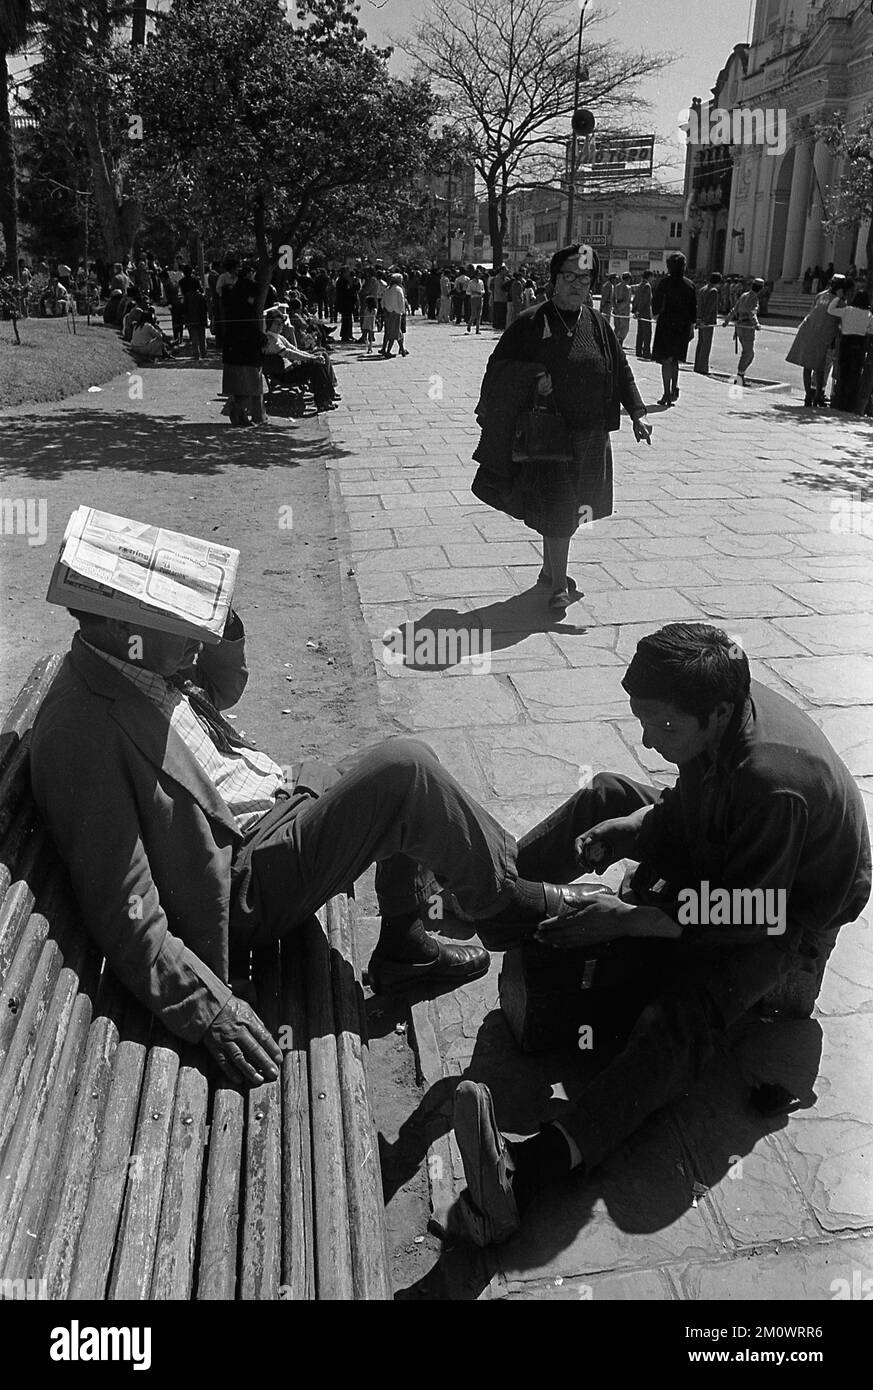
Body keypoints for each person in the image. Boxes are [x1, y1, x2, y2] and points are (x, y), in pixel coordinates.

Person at [30, 593, 624, 1087]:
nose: (197, 635)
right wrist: (208, 1008)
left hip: (279, 804)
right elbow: (123, 909)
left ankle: (406, 942)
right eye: (182, 621)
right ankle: (503, 905)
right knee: (404, 772)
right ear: (116, 620)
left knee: (407, 780)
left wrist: (218, 614)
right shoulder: (79, 731)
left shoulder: (132, 659)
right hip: (245, 881)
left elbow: (223, 687)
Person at [448, 622, 872, 1247]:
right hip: (741, 859)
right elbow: (693, 801)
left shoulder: (774, 779)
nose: (649, 741)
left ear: (719, 712)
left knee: (681, 1012)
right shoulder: (719, 713)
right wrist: (635, 827)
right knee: (607, 798)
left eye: (664, 728)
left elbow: (749, 910)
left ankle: (521, 1177)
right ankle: (492, 898)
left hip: (787, 909)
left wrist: (631, 918)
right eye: (642, 722)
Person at [471, 244, 652, 616]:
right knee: (561, 511)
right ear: (554, 280)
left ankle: (548, 571)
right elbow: (498, 370)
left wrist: (637, 413)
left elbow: (620, 369)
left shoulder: (597, 323)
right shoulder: (530, 322)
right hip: (549, 436)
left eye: (584, 278)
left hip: (591, 434)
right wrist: (533, 378)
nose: (576, 284)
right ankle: (558, 587)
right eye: (568, 276)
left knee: (571, 509)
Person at [785, 274, 847, 406]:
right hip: (822, 336)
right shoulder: (840, 301)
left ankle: (811, 395)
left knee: (810, 366)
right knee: (818, 367)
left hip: (810, 332)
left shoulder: (821, 295)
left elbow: (812, 311)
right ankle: (816, 395)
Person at [263, 306, 339, 409]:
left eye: (281, 323)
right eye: (277, 324)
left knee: (322, 355)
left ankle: (329, 393)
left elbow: (295, 349)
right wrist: (311, 359)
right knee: (316, 366)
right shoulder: (271, 341)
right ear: (270, 324)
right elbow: (289, 353)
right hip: (284, 374)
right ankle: (323, 402)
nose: (280, 326)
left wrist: (312, 356)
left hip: (290, 368)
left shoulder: (278, 337)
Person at [220, 262, 264, 427]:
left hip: (233, 352)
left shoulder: (232, 302)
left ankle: (238, 414)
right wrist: (261, 338)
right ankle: (239, 415)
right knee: (248, 386)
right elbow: (250, 329)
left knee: (240, 388)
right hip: (245, 353)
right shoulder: (245, 309)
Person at [651, 252, 697, 405]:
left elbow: (656, 303)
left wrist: (656, 314)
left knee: (666, 360)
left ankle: (666, 393)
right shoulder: (690, 285)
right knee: (675, 359)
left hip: (666, 325)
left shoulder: (664, 283)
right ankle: (674, 388)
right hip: (682, 326)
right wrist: (691, 327)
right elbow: (693, 309)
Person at [827, 290, 873, 412]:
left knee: (843, 372)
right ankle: (851, 403)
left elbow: (830, 310)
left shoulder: (848, 310)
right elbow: (871, 330)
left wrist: (838, 297)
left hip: (846, 342)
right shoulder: (868, 314)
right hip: (860, 344)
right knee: (855, 373)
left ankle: (840, 401)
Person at [725, 277, 764, 385]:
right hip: (747, 326)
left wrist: (727, 320)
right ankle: (739, 377)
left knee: (748, 353)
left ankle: (740, 375)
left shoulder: (744, 295)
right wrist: (756, 324)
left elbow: (734, 309)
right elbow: (752, 312)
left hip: (740, 326)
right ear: (761, 289)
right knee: (748, 353)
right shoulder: (753, 298)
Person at [693, 271, 722, 375]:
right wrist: (706, 320)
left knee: (700, 343)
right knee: (706, 345)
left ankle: (697, 365)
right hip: (707, 321)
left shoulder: (702, 289)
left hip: (700, 319)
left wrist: (699, 319)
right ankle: (703, 368)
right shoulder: (713, 291)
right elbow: (710, 308)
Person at [381, 272, 409, 357]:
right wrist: (403, 311)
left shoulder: (387, 289)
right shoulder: (398, 289)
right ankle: (388, 351)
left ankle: (402, 349)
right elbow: (401, 302)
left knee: (396, 331)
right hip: (396, 313)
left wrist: (385, 309)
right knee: (394, 332)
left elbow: (382, 302)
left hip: (388, 313)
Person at [184, 278, 209, 360]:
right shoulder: (201, 296)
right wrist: (205, 320)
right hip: (201, 320)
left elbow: (185, 309)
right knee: (202, 338)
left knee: (194, 339)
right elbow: (204, 309)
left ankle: (196, 354)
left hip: (191, 320)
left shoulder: (187, 296)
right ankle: (203, 353)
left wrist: (186, 320)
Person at [632, 271, 653, 359]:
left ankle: (638, 350)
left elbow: (636, 298)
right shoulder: (647, 286)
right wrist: (639, 311)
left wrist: (635, 309)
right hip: (645, 312)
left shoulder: (640, 285)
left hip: (639, 312)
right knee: (647, 333)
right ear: (649, 277)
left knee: (640, 333)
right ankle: (646, 352)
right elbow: (644, 300)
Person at [335, 266, 358, 342]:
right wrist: (352, 287)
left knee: (349, 319)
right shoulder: (342, 281)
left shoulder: (346, 280)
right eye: (347, 272)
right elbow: (347, 292)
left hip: (349, 303)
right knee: (346, 319)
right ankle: (345, 336)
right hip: (345, 303)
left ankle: (349, 334)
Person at [612, 273, 633, 346]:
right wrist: (620, 309)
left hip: (617, 307)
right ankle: (619, 343)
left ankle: (614, 342)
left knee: (617, 327)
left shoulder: (616, 286)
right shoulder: (628, 287)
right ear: (629, 279)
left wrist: (615, 308)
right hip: (624, 310)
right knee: (624, 328)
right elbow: (626, 300)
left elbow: (613, 298)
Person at [466, 268, 485, 334]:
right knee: (473, 314)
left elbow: (483, 290)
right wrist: (474, 292)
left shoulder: (481, 282)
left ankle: (477, 329)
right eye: (478, 274)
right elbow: (467, 292)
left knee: (479, 315)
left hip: (480, 298)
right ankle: (469, 325)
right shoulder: (471, 282)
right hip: (474, 299)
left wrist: (481, 292)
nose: (479, 275)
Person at [491, 264, 509, 330]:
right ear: (501, 271)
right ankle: (497, 325)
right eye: (505, 271)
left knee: (503, 313)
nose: (507, 272)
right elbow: (501, 288)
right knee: (498, 313)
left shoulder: (506, 278)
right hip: (498, 298)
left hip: (505, 299)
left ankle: (502, 325)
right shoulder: (498, 278)